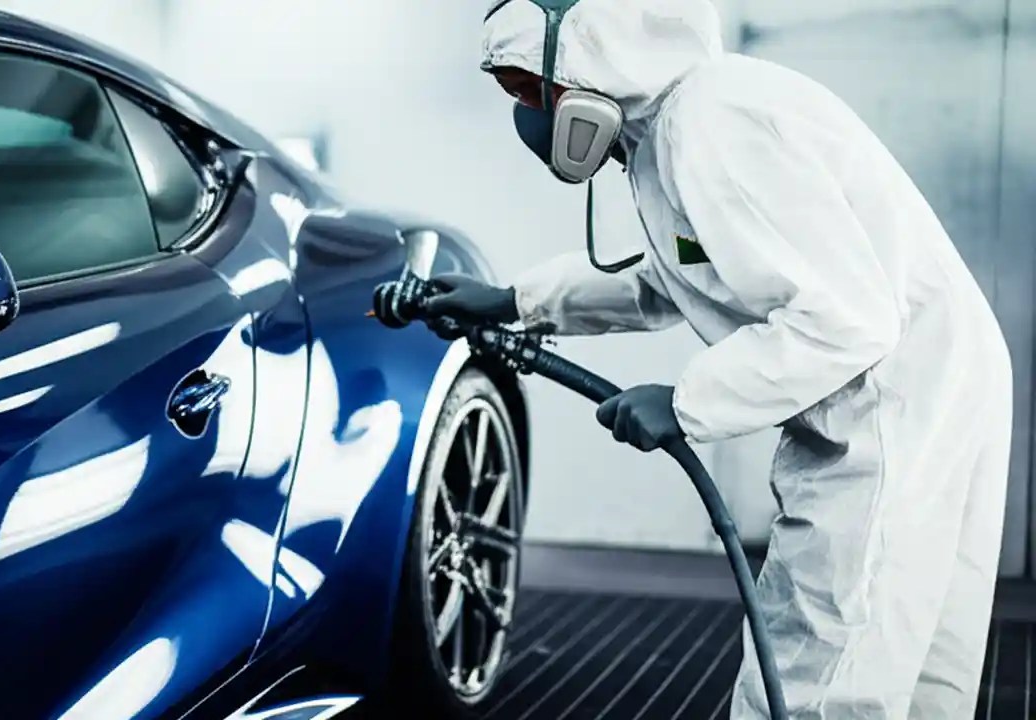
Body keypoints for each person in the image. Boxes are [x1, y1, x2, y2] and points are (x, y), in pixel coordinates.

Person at [423, 0, 1014, 718]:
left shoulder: (709, 124)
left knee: (820, 668)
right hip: (941, 376)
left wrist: (684, 403)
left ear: (590, 49)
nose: (527, 117)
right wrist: (514, 299)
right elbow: (671, 277)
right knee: (917, 663)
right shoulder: (680, 122)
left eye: (526, 89)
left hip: (887, 405)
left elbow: (844, 321)